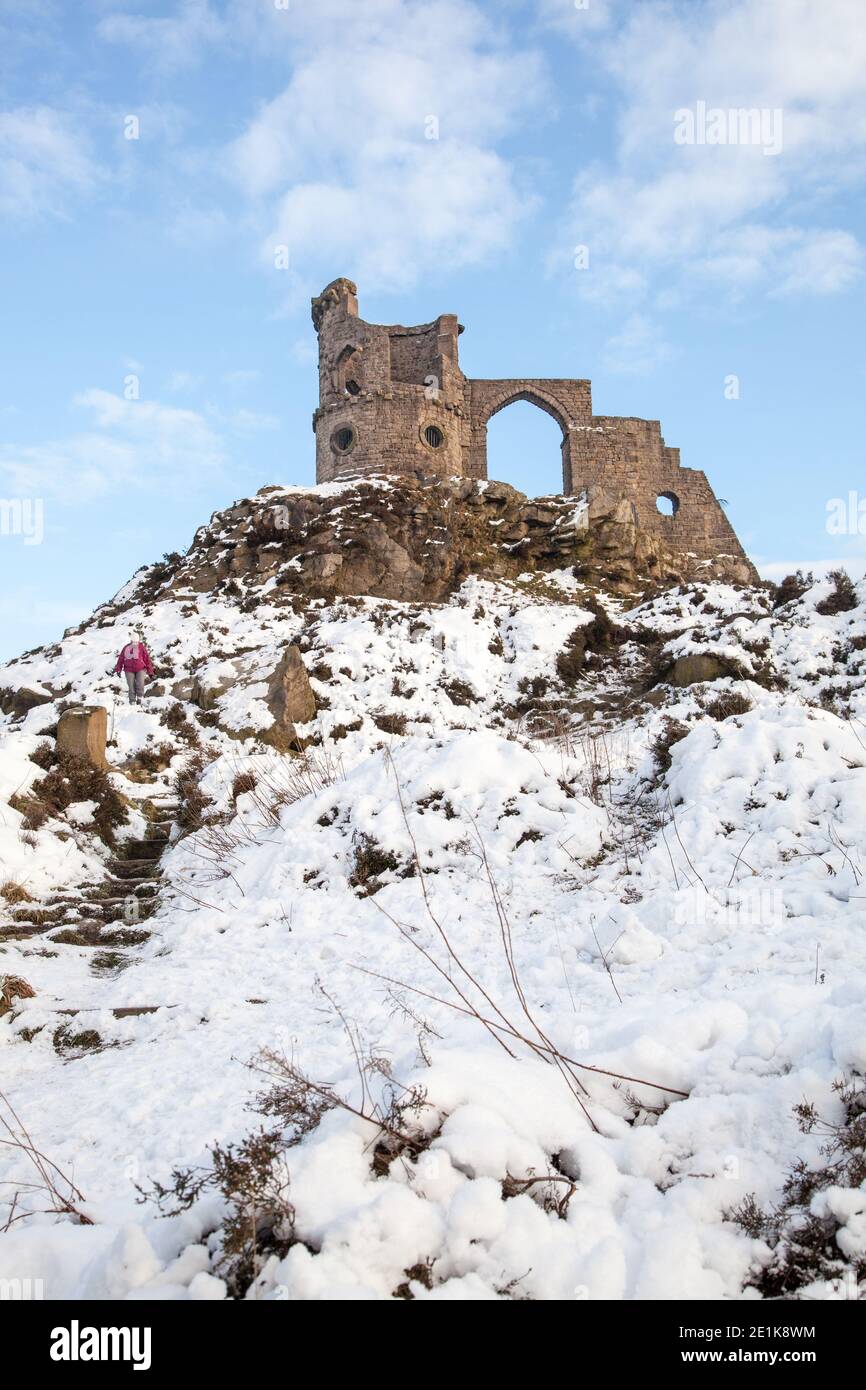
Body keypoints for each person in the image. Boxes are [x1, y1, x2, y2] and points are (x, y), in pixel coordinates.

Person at [114, 634, 154, 704]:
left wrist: (150, 672)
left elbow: (147, 659)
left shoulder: (141, 647)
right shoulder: (126, 647)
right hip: (128, 669)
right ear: (131, 640)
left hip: (140, 668)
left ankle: (140, 698)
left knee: (140, 683)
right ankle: (132, 701)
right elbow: (121, 659)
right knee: (131, 686)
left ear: (138, 641)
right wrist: (118, 669)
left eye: (136, 641)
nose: (135, 643)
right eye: (134, 641)